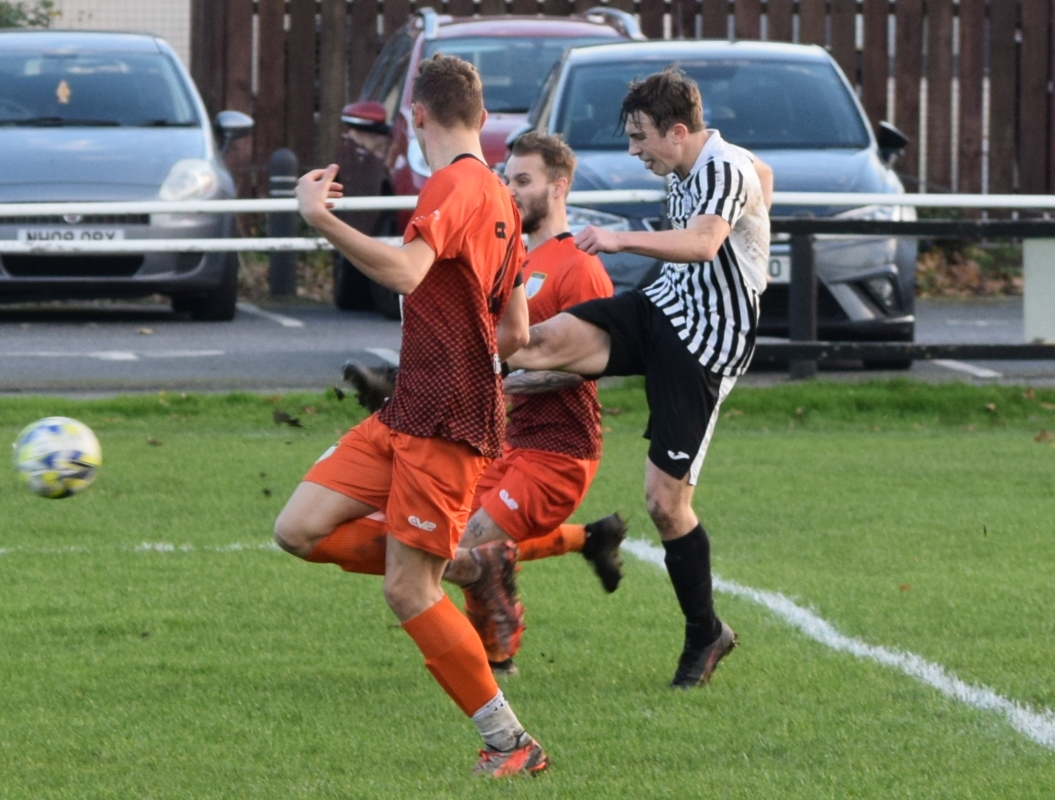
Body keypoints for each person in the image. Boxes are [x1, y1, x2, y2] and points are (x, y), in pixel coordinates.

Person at [273, 54, 547, 778]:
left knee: (406, 589)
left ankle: (510, 743)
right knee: (298, 530)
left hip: (446, 417)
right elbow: (515, 331)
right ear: (484, 119)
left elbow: (405, 270)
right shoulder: (498, 197)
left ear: (415, 116)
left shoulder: (455, 185)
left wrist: (319, 218)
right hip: (410, 408)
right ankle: (465, 561)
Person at [506, 67, 774, 689]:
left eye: (640, 138)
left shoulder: (720, 167)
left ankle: (706, 633)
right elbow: (765, 179)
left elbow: (707, 244)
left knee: (664, 503)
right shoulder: (709, 160)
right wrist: (761, 229)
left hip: (704, 346)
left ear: (678, 132)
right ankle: (435, 384)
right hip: (663, 307)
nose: (634, 151)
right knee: (544, 341)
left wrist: (621, 238)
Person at [345, 132, 627, 677]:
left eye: (524, 180)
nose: (511, 190)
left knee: (457, 548)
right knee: (441, 535)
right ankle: (591, 540)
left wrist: (488, 385)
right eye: (507, 178)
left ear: (559, 186)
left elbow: (589, 364)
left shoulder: (581, 268)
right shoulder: (516, 255)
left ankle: (497, 658)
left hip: (559, 453)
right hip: (505, 441)